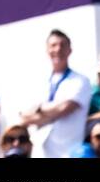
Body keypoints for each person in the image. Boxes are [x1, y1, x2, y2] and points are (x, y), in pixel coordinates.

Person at [18, 29, 93, 158]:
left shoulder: (80, 80)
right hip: (41, 153)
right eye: (53, 45)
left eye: (63, 45)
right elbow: (24, 117)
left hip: (69, 153)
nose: (58, 49)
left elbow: (64, 109)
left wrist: (39, 108)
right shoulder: (38, 81)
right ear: (47, 50)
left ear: (70, 50)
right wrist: (53, 111)